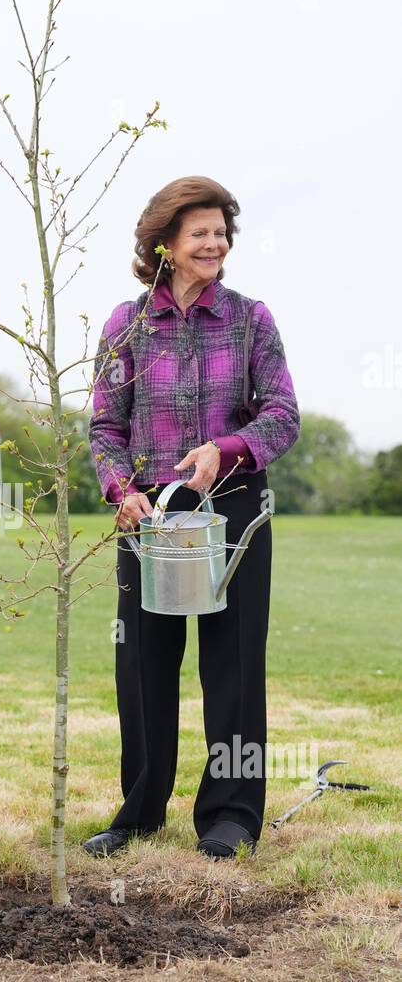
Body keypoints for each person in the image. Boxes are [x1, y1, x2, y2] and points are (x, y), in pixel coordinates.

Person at [84, 176, 299, 859]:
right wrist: (121, 490)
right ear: (165, 245)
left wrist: (227, 450)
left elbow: (283, 416)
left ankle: (230, 816)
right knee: (142, 665)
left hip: (233, 507)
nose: (215, 243)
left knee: (233, 665)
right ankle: (140, 811)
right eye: (199, 232)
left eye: (221, 231)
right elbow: (103, 426)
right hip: (147, 513)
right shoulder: (128, 324)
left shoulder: (250, 319)